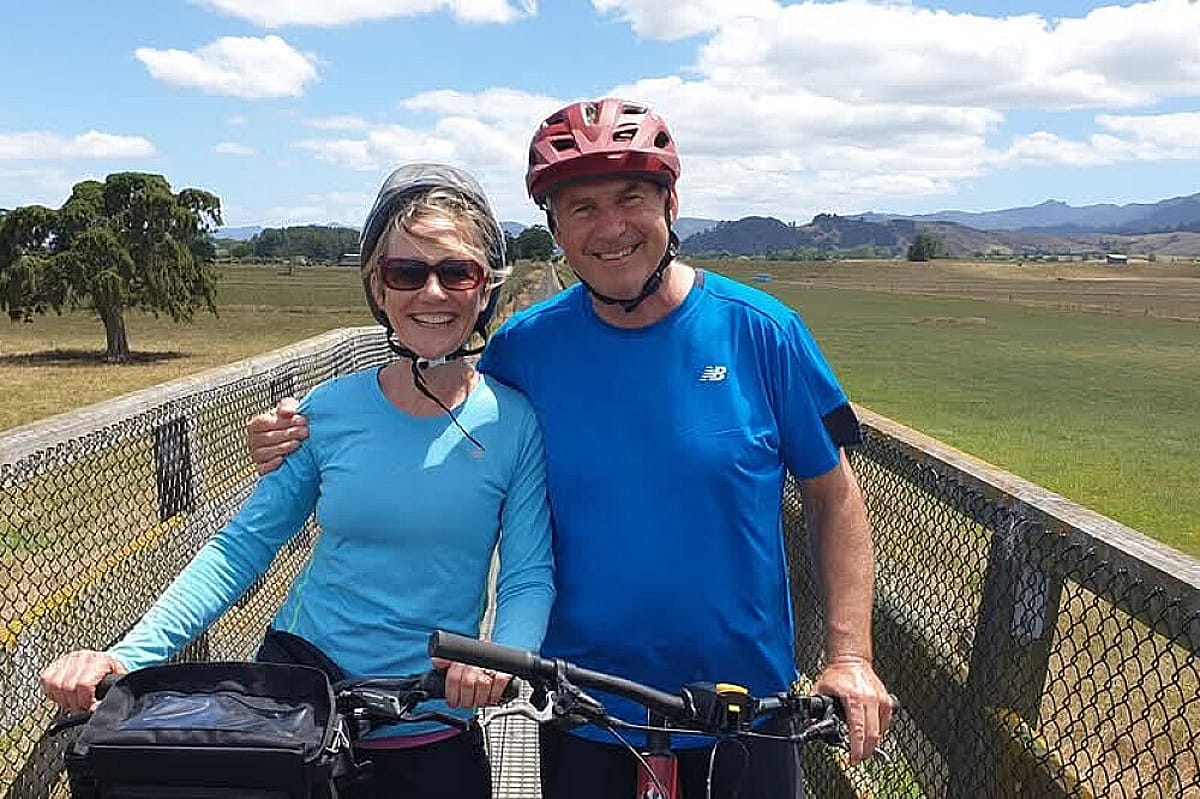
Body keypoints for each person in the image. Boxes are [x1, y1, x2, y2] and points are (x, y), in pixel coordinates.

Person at [249, 99, 892, 799]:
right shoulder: (527, 347)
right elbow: (432, 415)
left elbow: (834, 496)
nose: (610, 227)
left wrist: (851, 655)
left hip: (745, 705)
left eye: (631, 198)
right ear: (554, 228)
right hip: (585, 706)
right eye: (581, 207)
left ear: (671, 203)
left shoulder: (763, 332)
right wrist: (300, 430)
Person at [41, 163, 556, 799]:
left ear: (485, 290)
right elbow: (240, 549)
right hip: (300, 705)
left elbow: (528, 570)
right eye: (406, 272)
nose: (433, 292)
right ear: (378, 285)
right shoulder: (327, 411)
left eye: (457, 272)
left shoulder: (513, 422)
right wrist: (127, 656)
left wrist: (498, 658)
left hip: (433, 709)